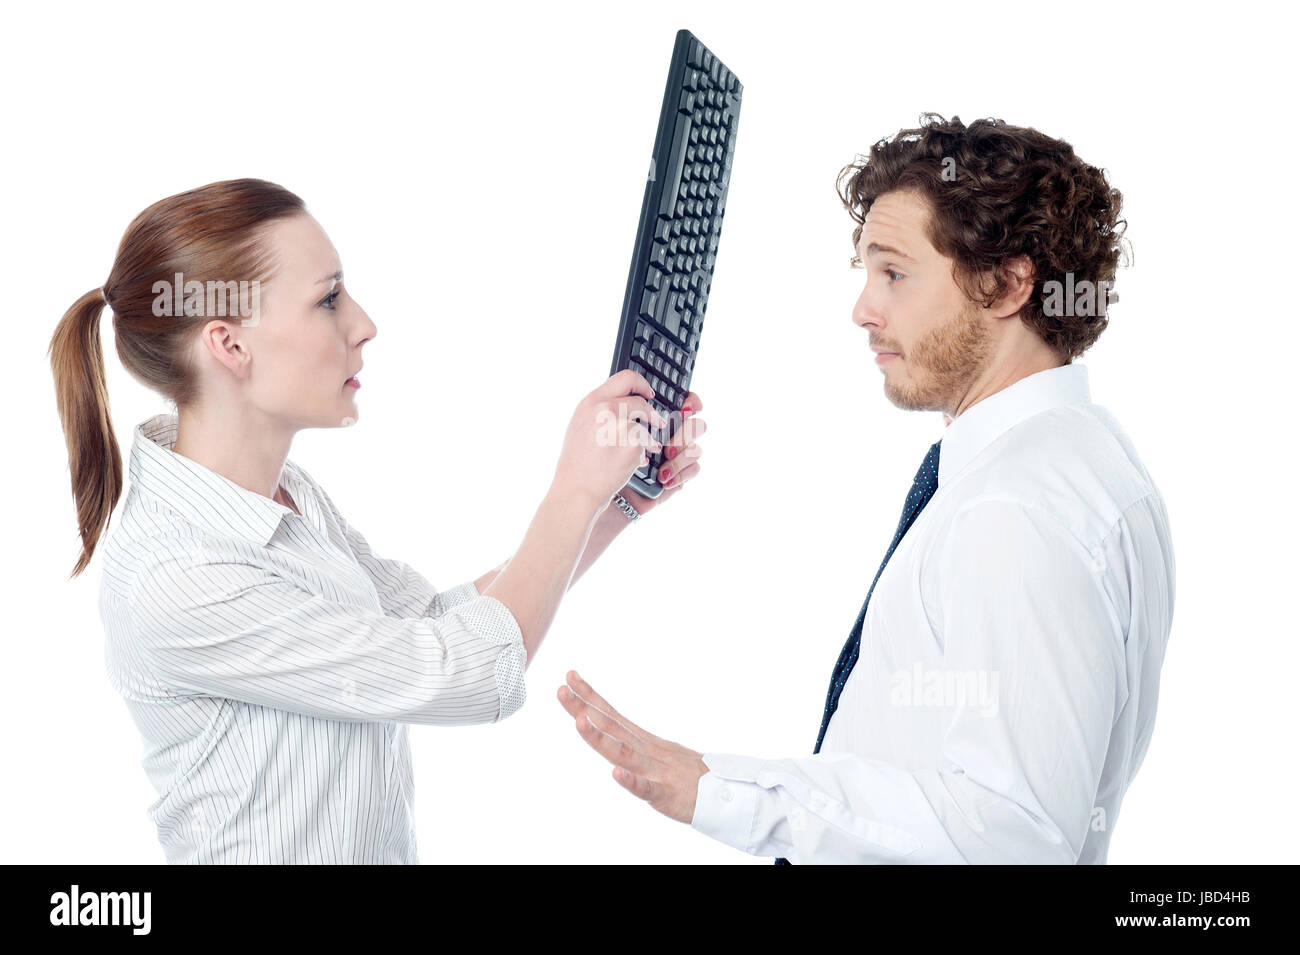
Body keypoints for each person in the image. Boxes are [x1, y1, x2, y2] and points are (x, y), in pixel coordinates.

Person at [557, 114, 1176, 864]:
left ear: (1008, 283)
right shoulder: (1084, 459)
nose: (863, 310)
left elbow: (1011, 829)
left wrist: (717, 790)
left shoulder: (1016, 510)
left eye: (894, 272)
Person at [47, 178, 707, 863]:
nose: (363, 323)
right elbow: (468, 671)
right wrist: (573, 490)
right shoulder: (178, 573)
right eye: (327, 299)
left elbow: (430, 621)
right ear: (229, 345)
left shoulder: (283, 494)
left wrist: (614, 502)